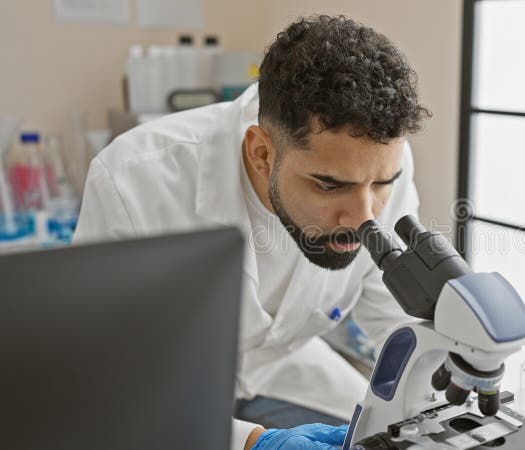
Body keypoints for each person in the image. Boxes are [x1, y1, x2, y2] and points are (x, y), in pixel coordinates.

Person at [73, 15, 430, 450]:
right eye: (329, 185)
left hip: (282, 367)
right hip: (165, 385)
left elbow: (394, 316)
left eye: (381, 185)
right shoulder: (133, 181)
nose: (363, 216)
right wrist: (250, 442)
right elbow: (106, 377)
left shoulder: (378, 165)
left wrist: (437, 391)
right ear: (261, 153)